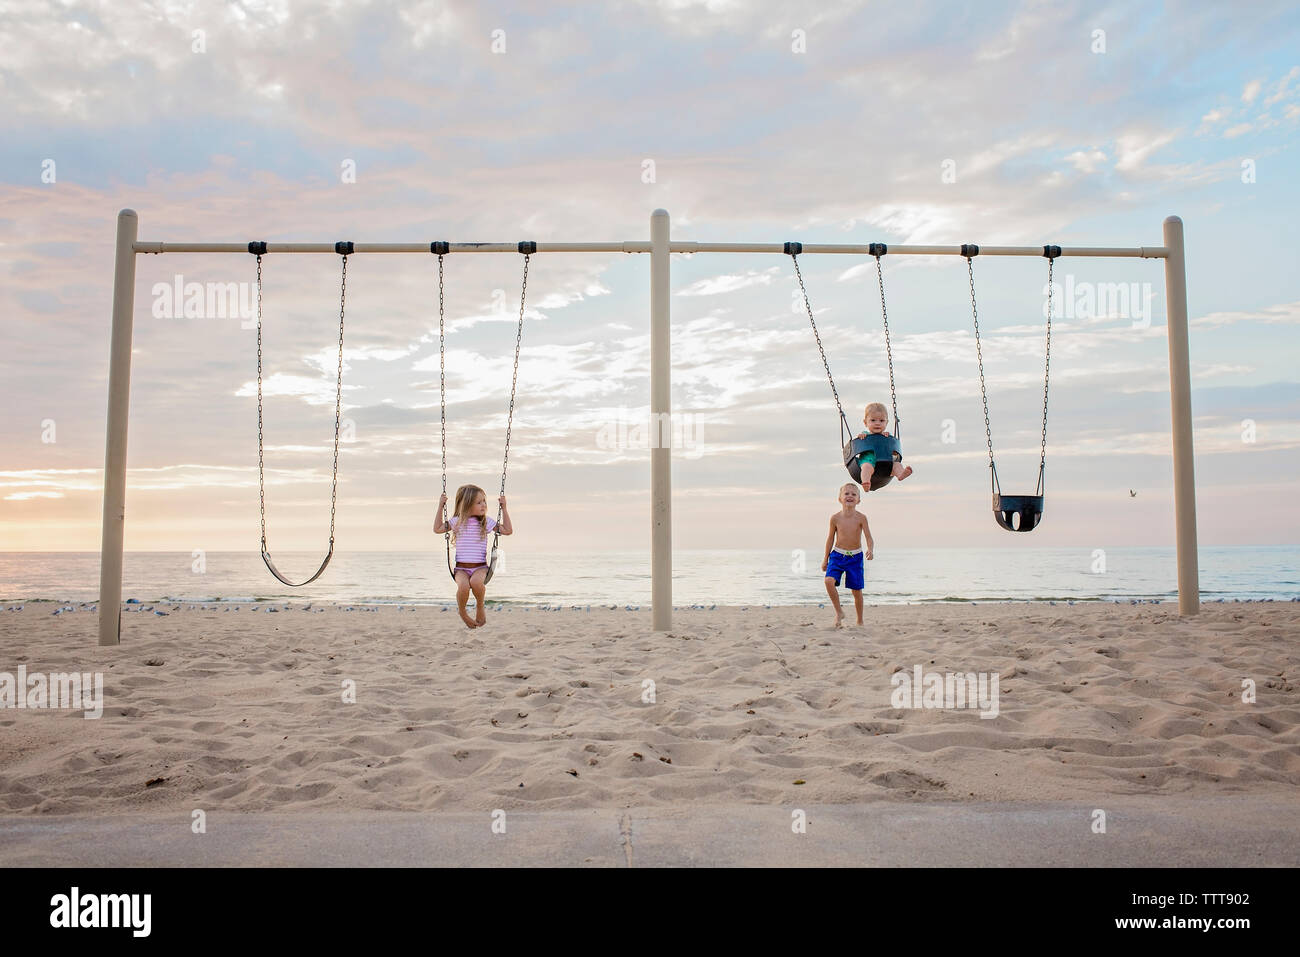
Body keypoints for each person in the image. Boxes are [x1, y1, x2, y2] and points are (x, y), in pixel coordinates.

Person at [435, 485, 512, 629]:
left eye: (484, 501)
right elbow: (437, 528)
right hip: (461, 569)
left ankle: (480, 607)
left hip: (480, 568)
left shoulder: (485, 522)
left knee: (477, 582)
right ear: (467, 504)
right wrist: (441, 506)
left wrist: (505, 508)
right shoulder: (457, 521)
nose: (484, 505)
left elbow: (507, 530)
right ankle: (463, 613)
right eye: (479, 502)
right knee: (463, 586)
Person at [822, 482, 873, 628]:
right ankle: (839, 612)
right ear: (839, 498)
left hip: (855, 558)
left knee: (856, 591)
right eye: (846, 493)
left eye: (853, 494)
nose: (850, 496)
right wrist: (825, 559)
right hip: (837, 555)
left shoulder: (861, 518)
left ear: (858, 500)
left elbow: (869, 537)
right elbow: (830, 538)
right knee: (828, 581)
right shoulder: (835, 518)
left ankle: (860, 621)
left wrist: (870, 549)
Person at [856, 401, 912, 491]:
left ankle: (901, 474)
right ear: (865, 422)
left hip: (885, 463)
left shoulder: (886, 436)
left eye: (881, 420)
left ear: (886, 422)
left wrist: (888, 439)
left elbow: (894, 453)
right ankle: (866, 482)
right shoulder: (865, 435)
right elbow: (859, 444)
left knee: (896, 464)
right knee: (866, 468)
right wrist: (860, 437)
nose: (877, 423)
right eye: (873, 420)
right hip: (869, 461)